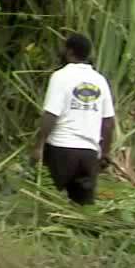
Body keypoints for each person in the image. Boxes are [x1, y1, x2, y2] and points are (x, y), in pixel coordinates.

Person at [32, 33, 116, 206]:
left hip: (61, 151)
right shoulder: (100, 80)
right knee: (81, 210)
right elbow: (108, 122)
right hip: (89, 155)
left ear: (69, 51)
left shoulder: (60, 76)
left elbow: (51, 115)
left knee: (52, 205)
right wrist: (105, 152)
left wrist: (39, 146)